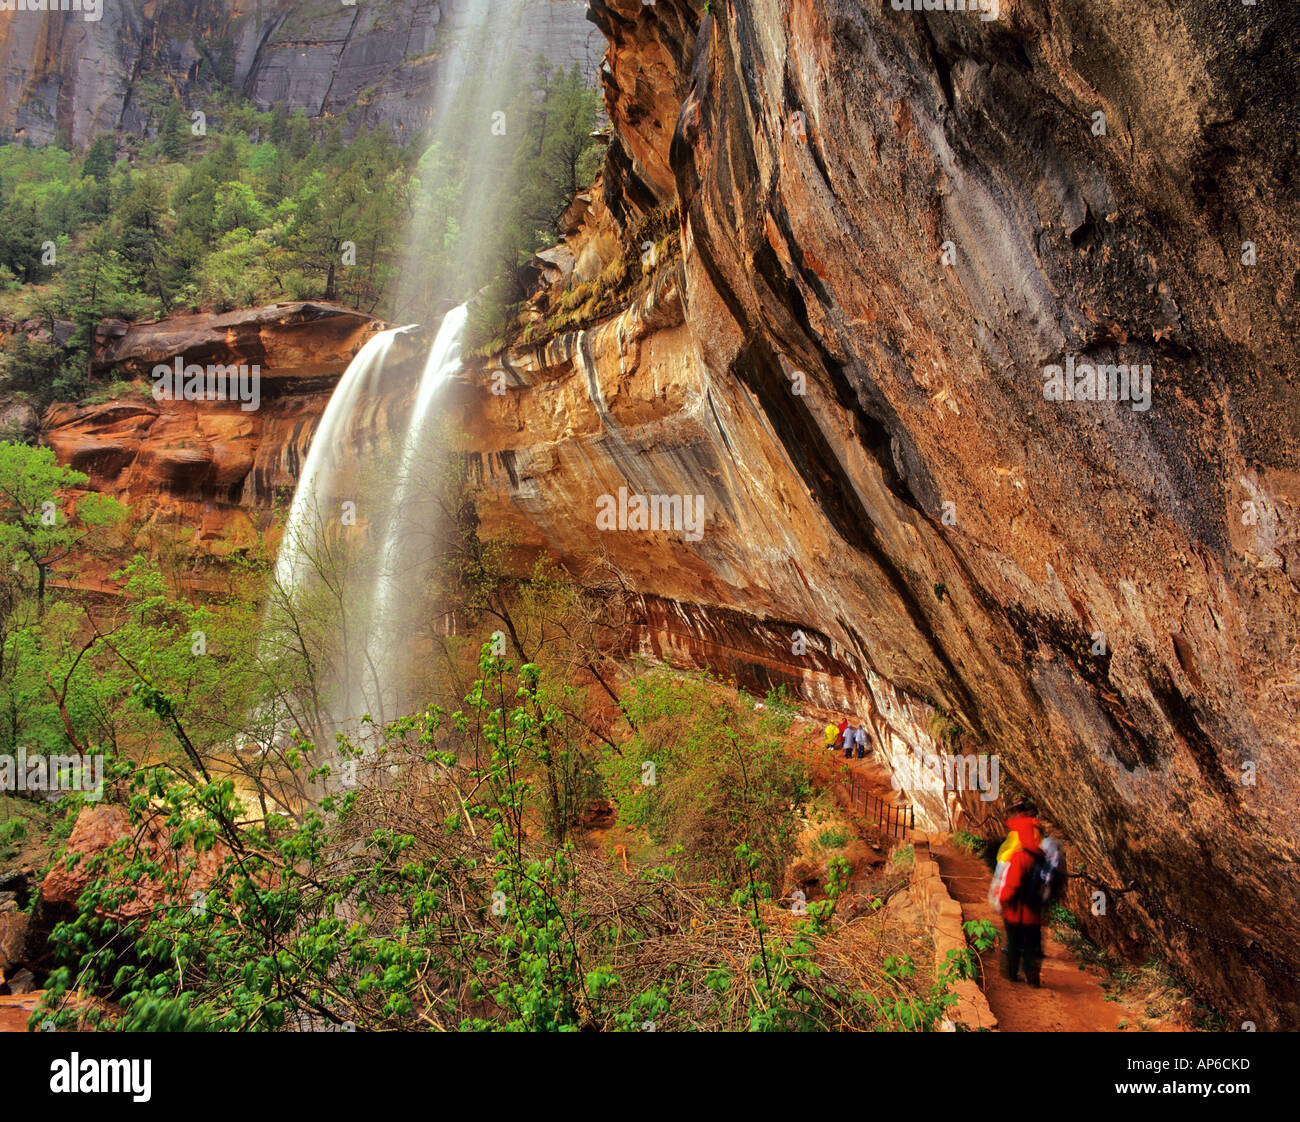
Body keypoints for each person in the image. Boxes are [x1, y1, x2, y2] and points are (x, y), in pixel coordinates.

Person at [996, 800, 1045, 987]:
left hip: (1015, 911)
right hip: (1034, 911)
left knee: (1014, 942)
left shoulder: (1019, 857)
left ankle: (1012, 975)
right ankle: (1032, 975)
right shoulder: (1042, 856)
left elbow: (1011, 884)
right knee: (1032, 943)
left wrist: (1002, 901)